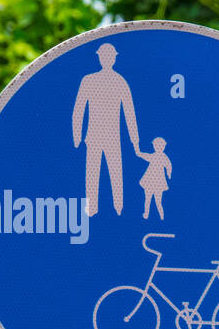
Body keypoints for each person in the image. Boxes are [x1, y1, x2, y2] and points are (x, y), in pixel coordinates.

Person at [72, 42, 140, 216]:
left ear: (113, 59)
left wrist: (135, 141)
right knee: (93, 172)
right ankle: (93, 208)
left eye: (109, 56)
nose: (107, 59)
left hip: (112, 137)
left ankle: (119, 209)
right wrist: (77, 136)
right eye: (104, 56)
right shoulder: (88, 80)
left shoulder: (120, 82)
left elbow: (129, 113)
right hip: (94, 136)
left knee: (115, 172)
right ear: (100, 58)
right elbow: (78, 110)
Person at [137, 138, 172, 220]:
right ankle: (147, 214)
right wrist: (139, 153)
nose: (158, 148)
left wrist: (169, 173)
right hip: (150, 181)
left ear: (163, 147)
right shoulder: (154, 156)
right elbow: (147, 156)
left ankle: (161, 216)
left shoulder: (163, 157)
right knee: (148, 199)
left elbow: (169, 166)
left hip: (158, 183)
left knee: (157, 201)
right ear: (154, 146)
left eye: (160, 146)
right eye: (156, 146)